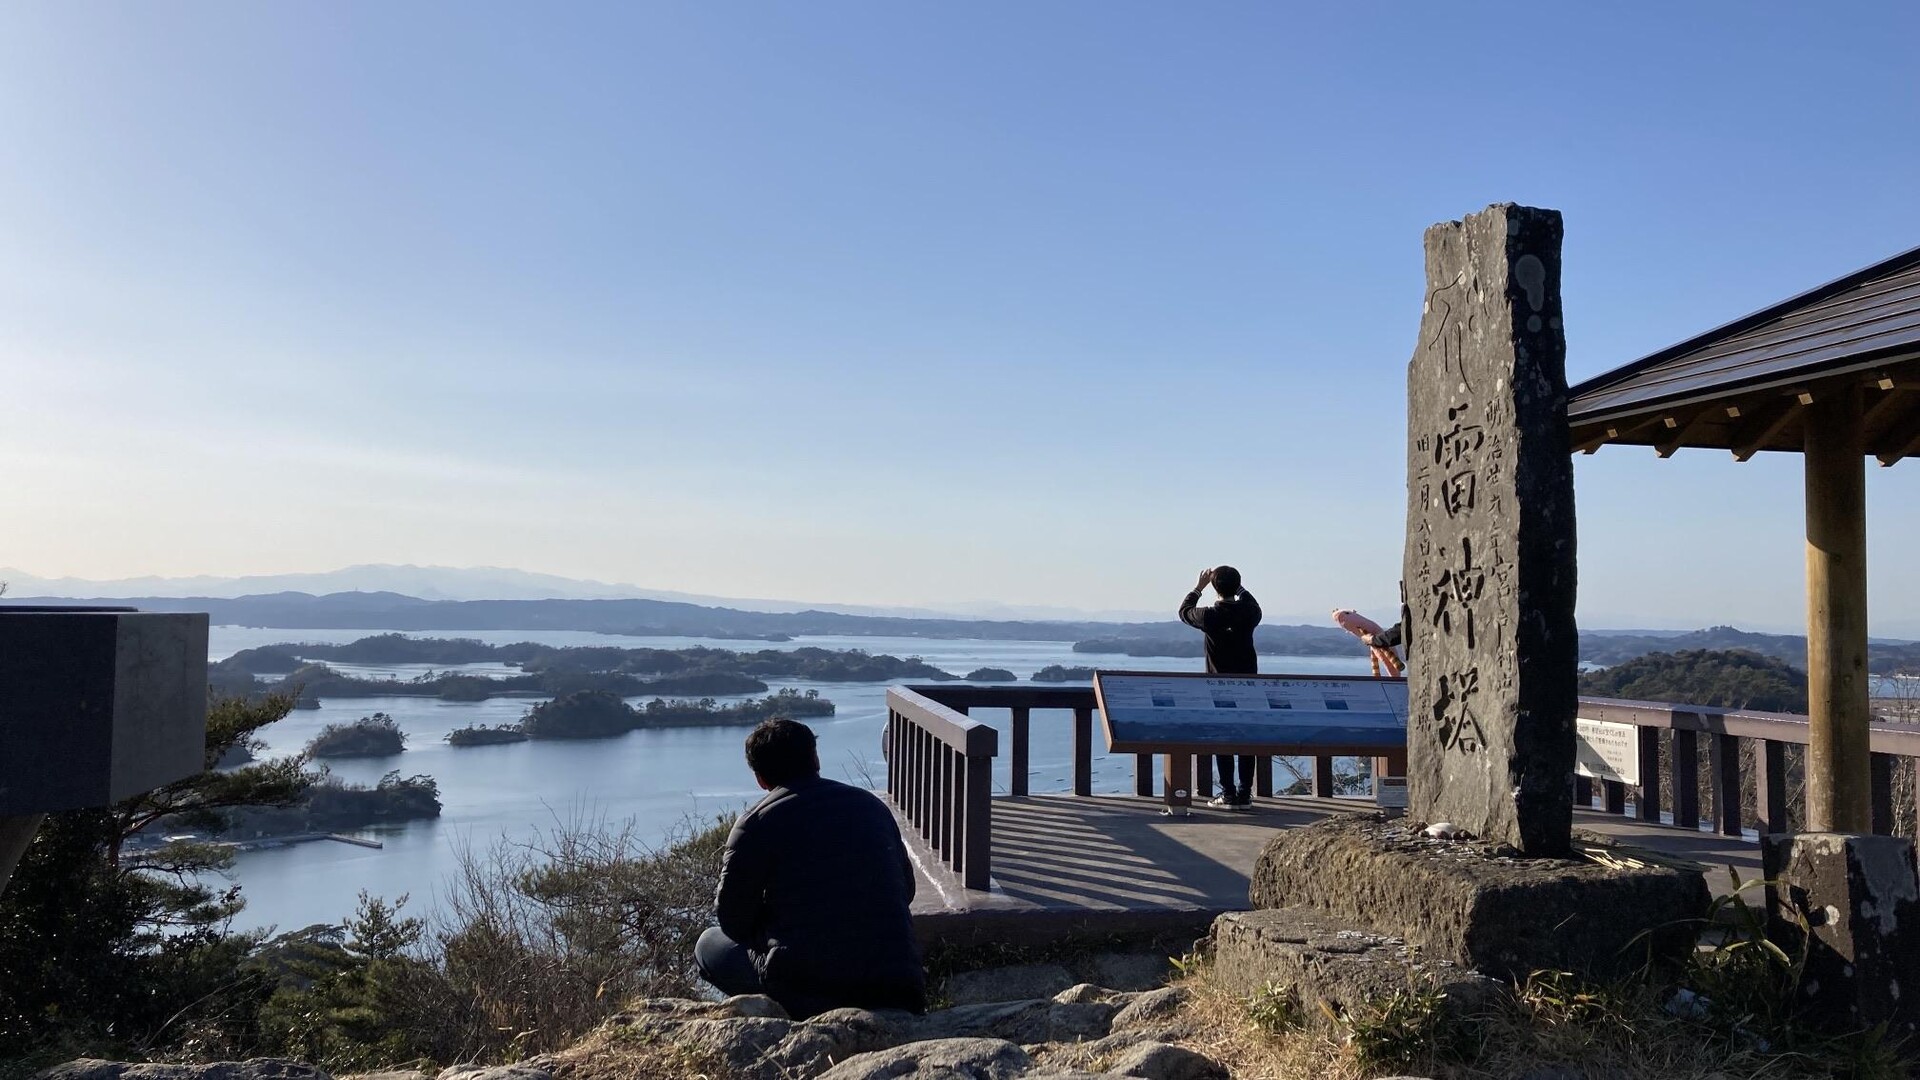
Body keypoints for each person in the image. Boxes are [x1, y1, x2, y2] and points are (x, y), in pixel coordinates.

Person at [695, 718, 927, 1019]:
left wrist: (781, 929)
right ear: (815, 759)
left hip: (810, 994)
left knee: (708, 945)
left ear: (760, 779)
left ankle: (778, 1020)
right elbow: (906, 891)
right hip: (900, 988)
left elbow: (733, 922)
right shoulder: (871, 807)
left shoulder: (756, 824)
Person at [1179, 565, 1263, 810]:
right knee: (1247, 740)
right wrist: (1238, 587)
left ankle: (1228, 794)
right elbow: (1254, 604)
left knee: (1223, 738)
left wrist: (1199, 587)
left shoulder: (1208, 617)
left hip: (1219, 687)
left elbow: (1184, 611)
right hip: (1248, 686)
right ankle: (1245, 793)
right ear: (1237, 586)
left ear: (1215, 588)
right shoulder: (1249, 613)